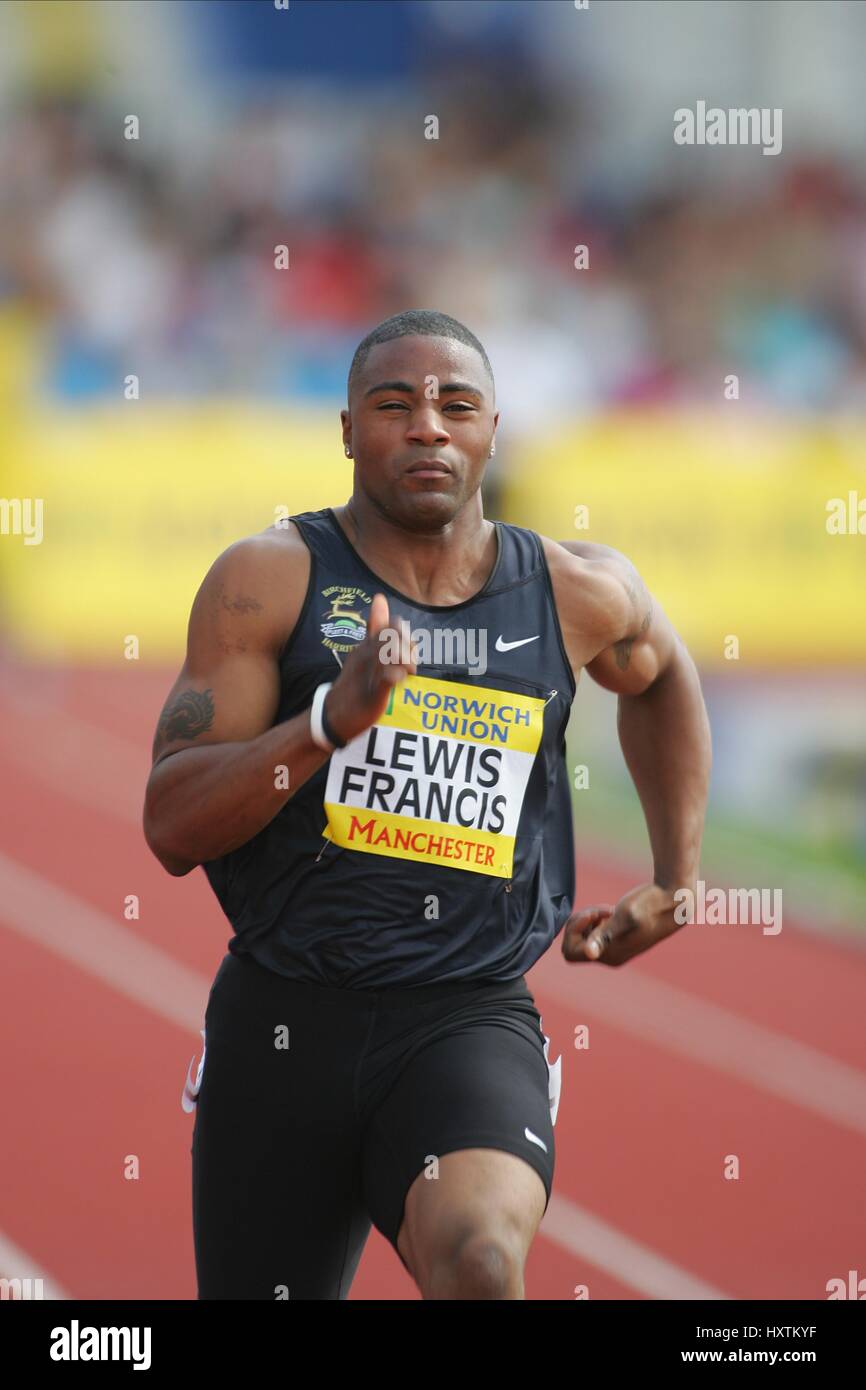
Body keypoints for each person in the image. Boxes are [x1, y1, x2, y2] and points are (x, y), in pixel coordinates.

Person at [143, 309, 711, 1300]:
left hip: (465, 1015)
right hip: (283, 1015)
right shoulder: (268, 581)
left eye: (455, 406)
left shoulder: (572, 590)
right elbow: (171, 826)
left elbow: (659, 675)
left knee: (483, 1262)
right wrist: (327, 719)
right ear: (348, 429)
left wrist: (674, 876)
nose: (427, 428)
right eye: (393, 405)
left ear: (492, 428)